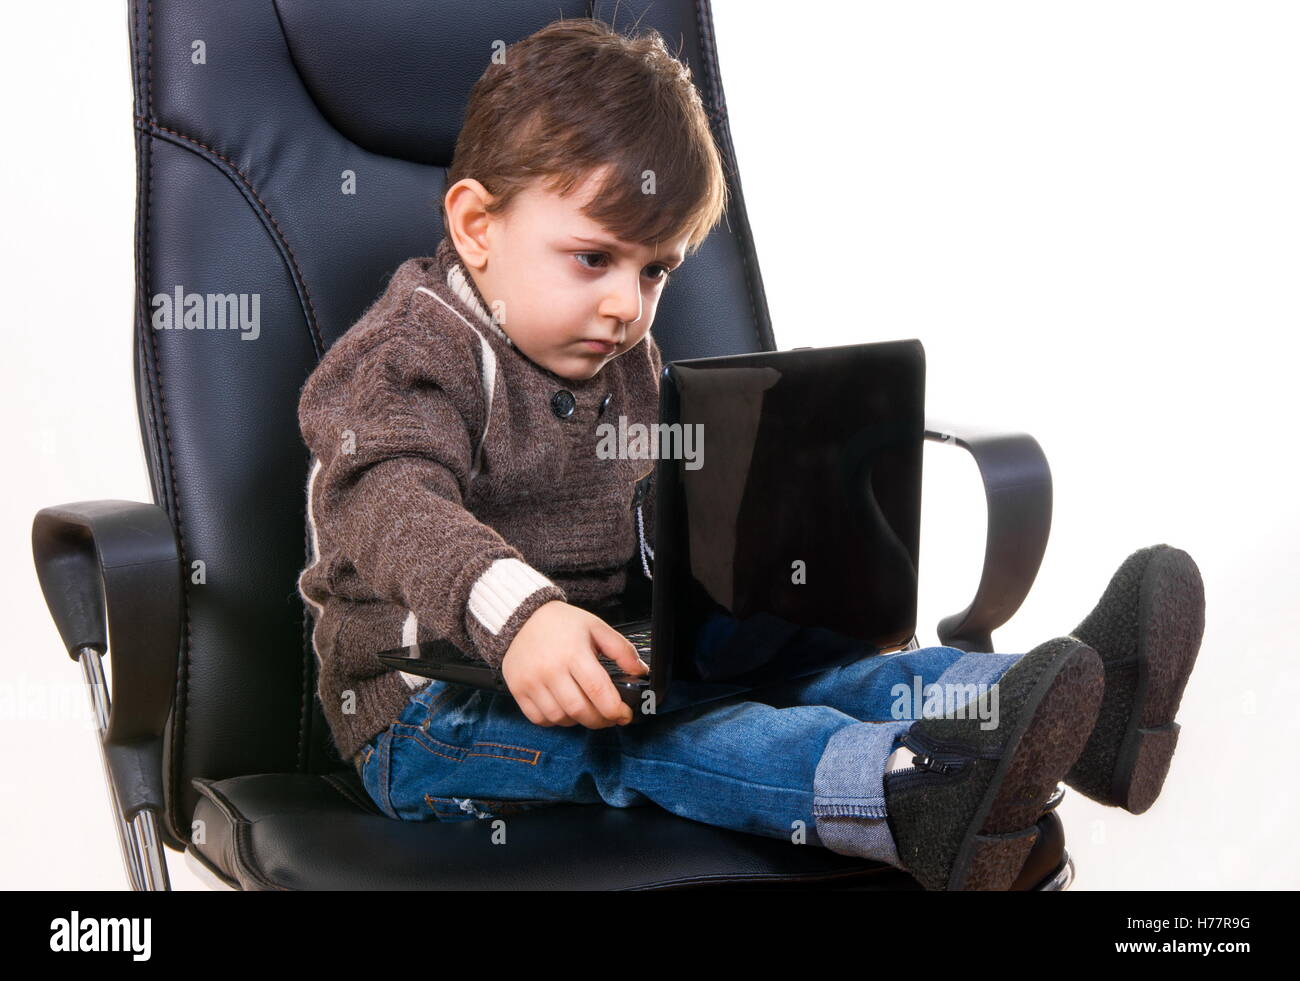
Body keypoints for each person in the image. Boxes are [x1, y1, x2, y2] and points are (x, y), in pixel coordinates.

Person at [296, 17, 1206, 890]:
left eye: (655, 271)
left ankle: (1075, 712)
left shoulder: (624, 361)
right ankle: (899, 792)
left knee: (824, 671)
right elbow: (385, 499)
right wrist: (521, 615)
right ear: (477, 226)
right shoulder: (412, 353)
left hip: (610, 655)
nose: (628, 305)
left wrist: (766, 597)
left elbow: (666, 524)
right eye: (593, 259)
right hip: (426, 711)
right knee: (651, 745)